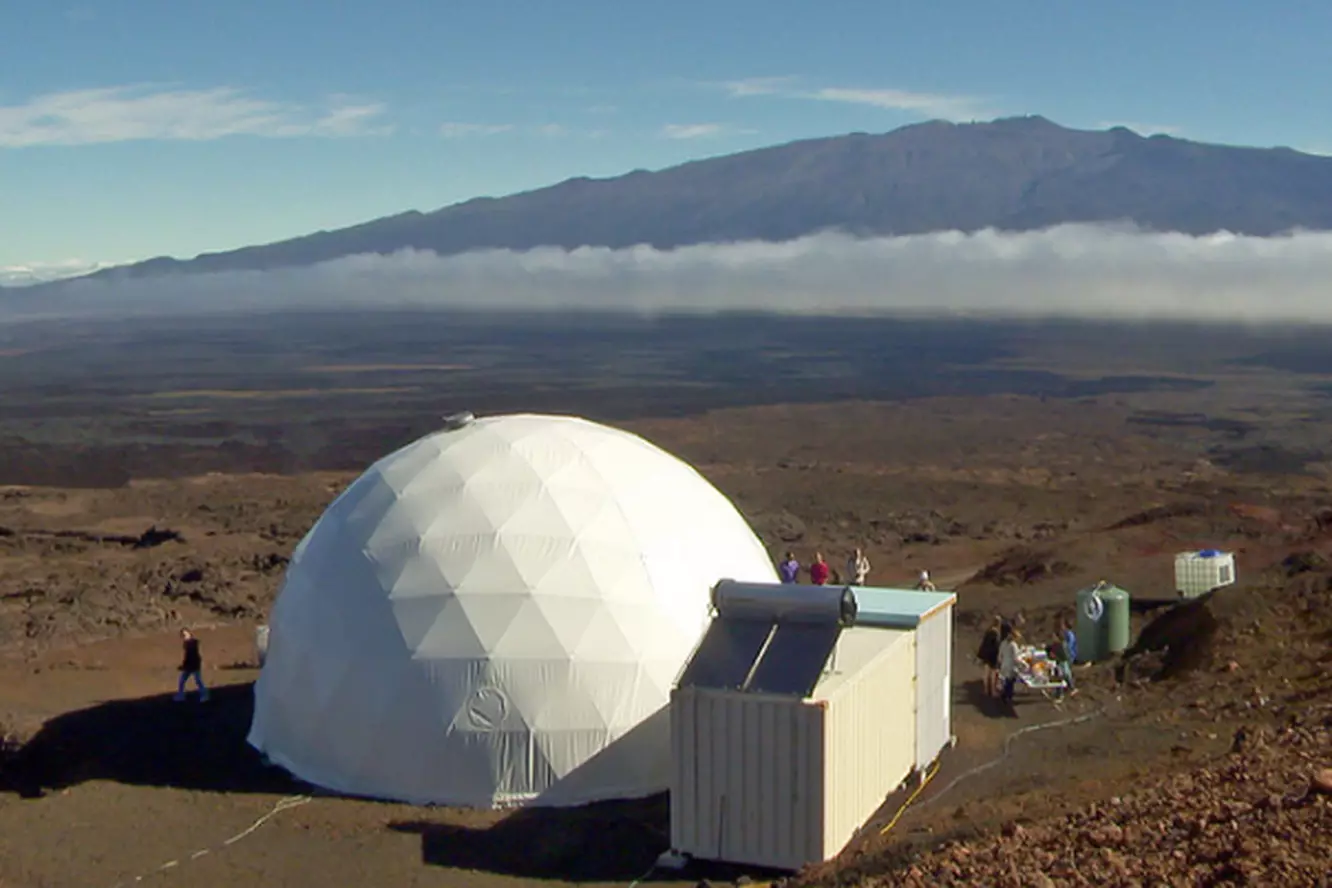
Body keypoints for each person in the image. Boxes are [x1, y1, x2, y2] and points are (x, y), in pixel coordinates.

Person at [175, 628, 209, 702]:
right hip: (190, 665)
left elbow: (192, 655)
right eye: (183, 635)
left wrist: (185, 665)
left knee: (197, 681)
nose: (184, 636)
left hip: (193, 665)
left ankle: (204, 695)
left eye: (185, 634)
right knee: (183, 681)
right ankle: (181, 695)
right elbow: (187, 656)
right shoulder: (188, 643)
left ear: (189, 634)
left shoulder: (192, 643)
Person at [977, 615, 1003, 697]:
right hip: (993, 656)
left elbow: (984, 643)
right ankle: (992, 691)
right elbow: (996, 646)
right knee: (992, 674)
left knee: (986, 673)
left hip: (986, 655)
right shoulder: (996, 633)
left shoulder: (988, 631)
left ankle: (985, 690)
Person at [998, 627, 1021, 706]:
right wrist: (1023, 665)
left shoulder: (1003, 643)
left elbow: (1000, 655)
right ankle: (1008, 698)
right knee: (1010, 683)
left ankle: (1004, 695)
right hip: (1010, 666)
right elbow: (1016, 658)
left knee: (1006, 681)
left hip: (1004, 664)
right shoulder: (1013, 645)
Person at [1057, 616, 1078, 695]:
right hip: (1065, 655)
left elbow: (1068, 647)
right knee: (1064, 671)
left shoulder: (1069, 635)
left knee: (1064, 671)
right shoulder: (1065, 634)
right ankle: (1068, 686)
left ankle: (1070, 687)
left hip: (1069, 655)